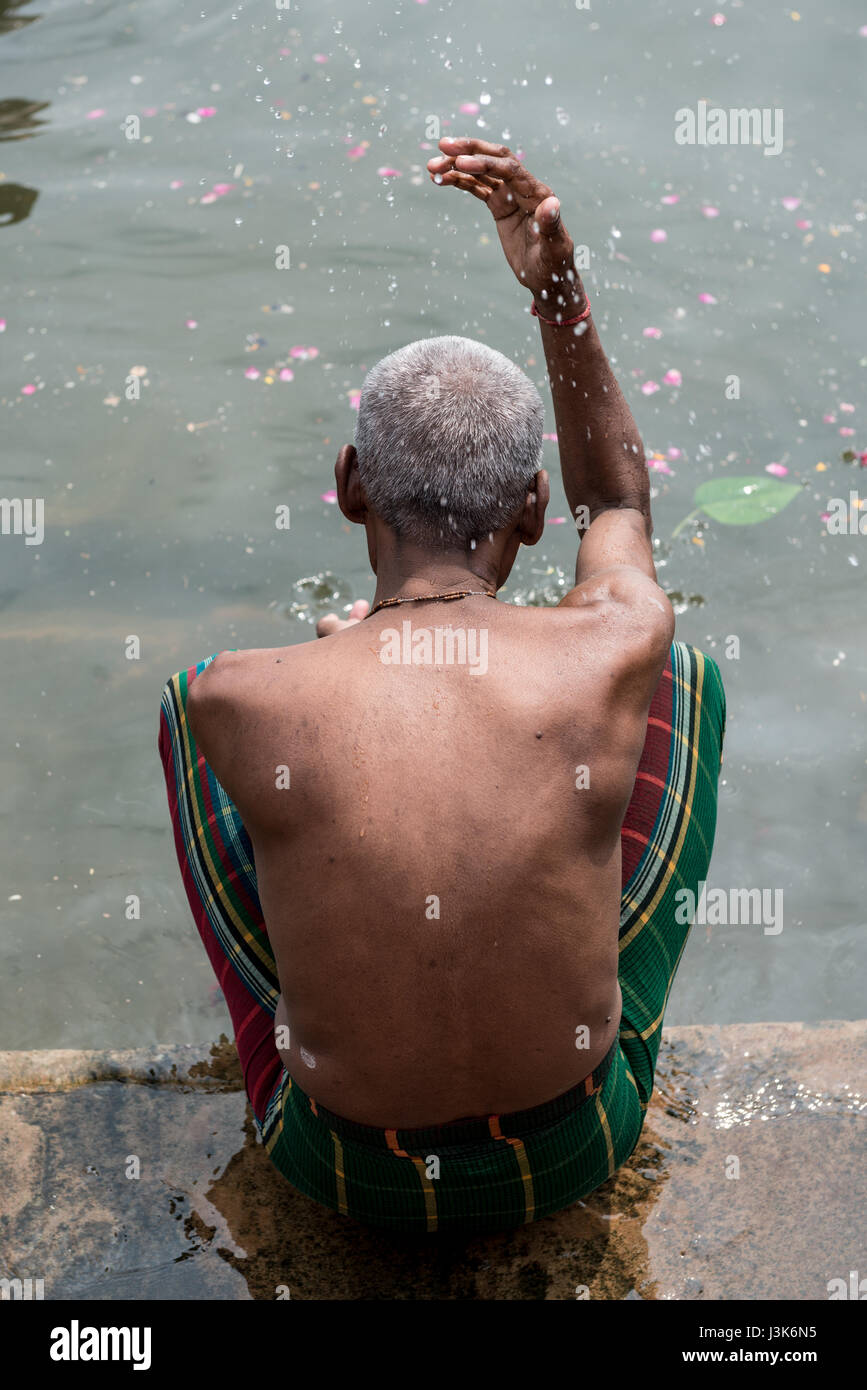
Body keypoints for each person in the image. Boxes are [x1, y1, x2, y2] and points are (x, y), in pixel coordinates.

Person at [159, 139, 725, 1235]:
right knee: (678, 673)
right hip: (574, 1147)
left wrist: (351, 658)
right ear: (528, 508)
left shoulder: (240, 695)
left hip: (336, 1171)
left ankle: (296, 1030)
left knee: (198, 714)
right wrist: (555, 283)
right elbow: (619, 502)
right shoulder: (606, 647)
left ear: (348, 485)